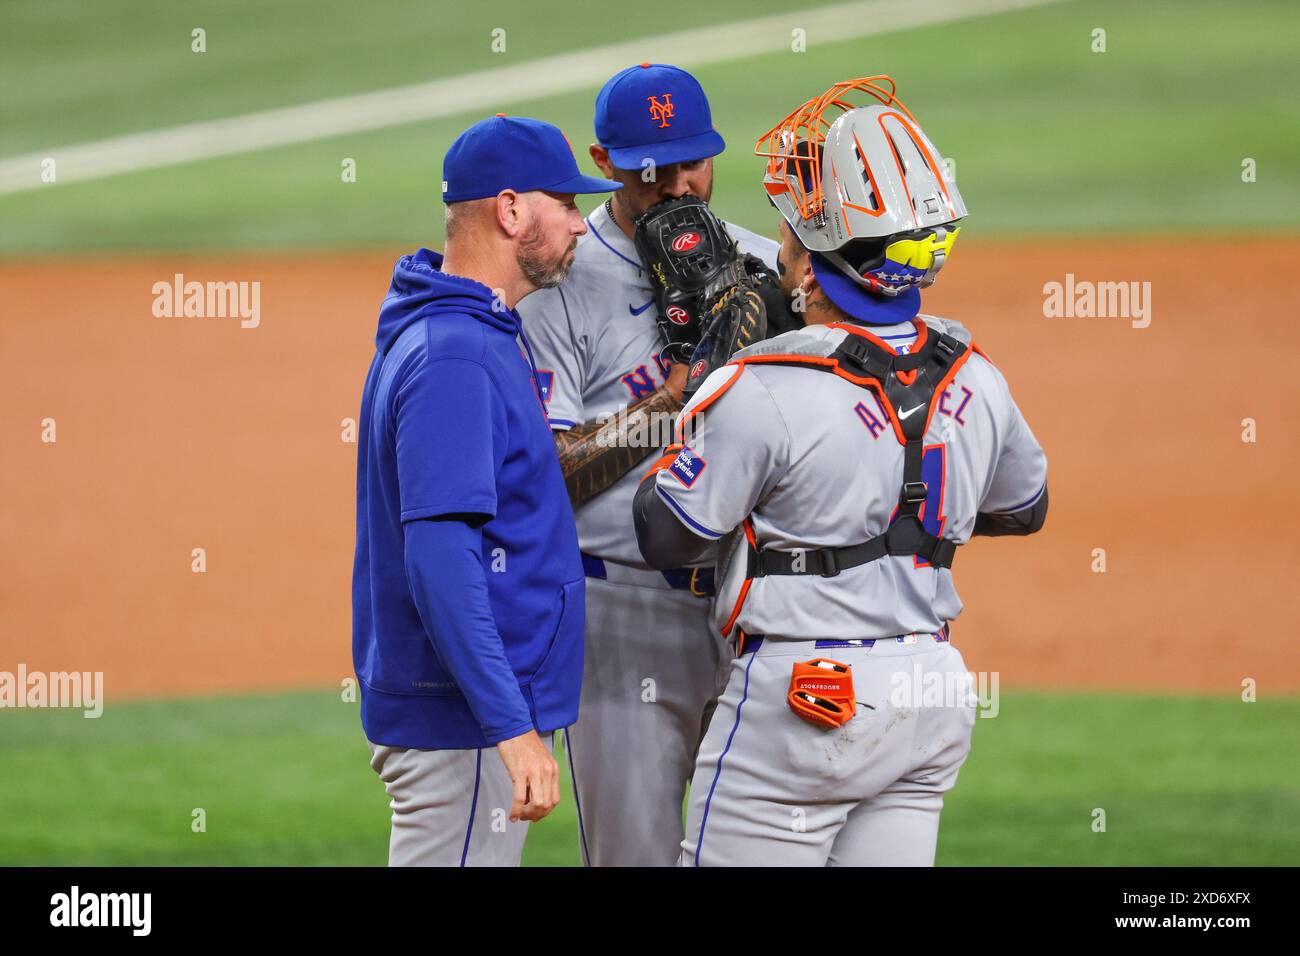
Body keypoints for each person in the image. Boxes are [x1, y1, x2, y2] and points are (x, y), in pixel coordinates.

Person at [634, 76, 1049, 866]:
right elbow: (1025, 507)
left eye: (790, 237)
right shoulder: (975, 373)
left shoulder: (765, 385)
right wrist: (900, 508)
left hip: (804, 707)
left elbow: (667, 533)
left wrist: (699, 382)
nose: (780, 249)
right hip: (929, 693)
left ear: (811, 266)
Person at [516, 63, 779, 867]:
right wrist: (669, 405)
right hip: (624, 614)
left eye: (690, 162)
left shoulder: (764, 269)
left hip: (754, 607)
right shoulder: (558, 284)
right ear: (603, 161)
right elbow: (542, 477)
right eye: (647, 170)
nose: (673, 184)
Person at [352, 114, 620, 866]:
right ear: (509, 211)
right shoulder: (456, 356)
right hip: (462, 720)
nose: (579, 223)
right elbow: (438, 558)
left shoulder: (464, 329)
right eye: (564, 203)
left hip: (464, 713)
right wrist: (509, 726)